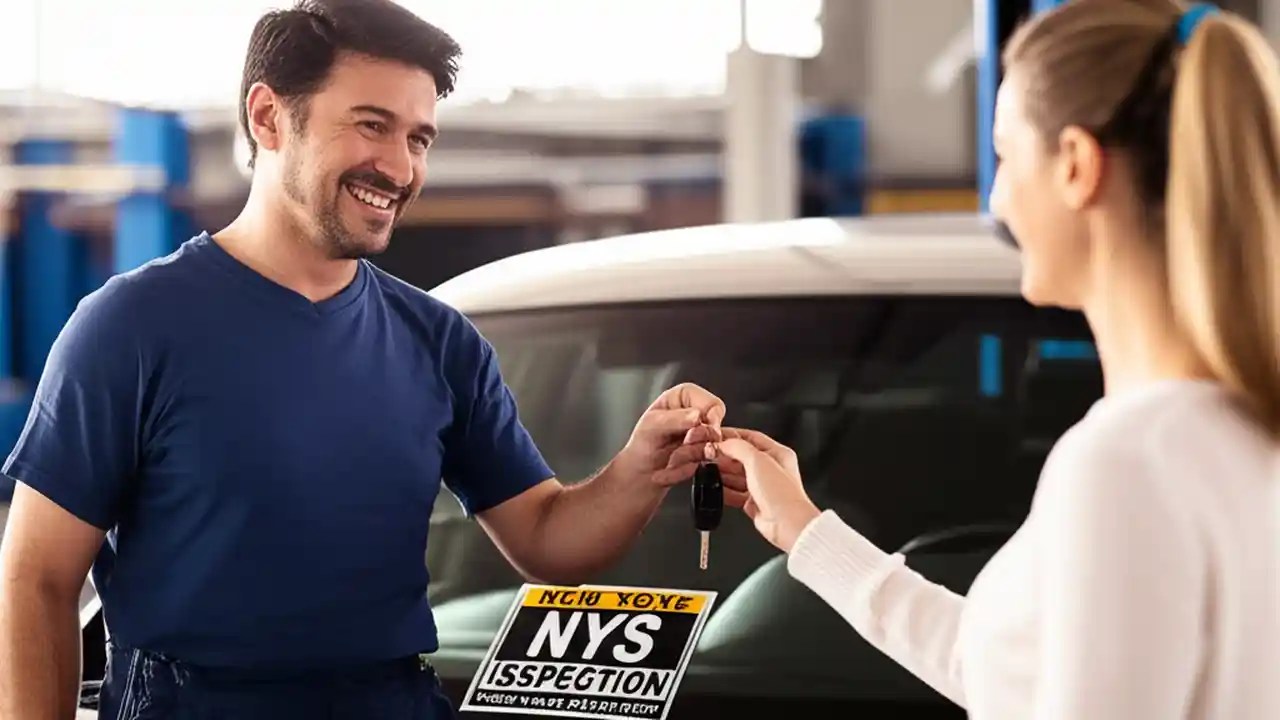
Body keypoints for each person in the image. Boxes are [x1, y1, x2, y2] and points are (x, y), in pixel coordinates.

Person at [0, 1, 742, 718]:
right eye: (371, 126)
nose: (398, 166)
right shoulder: (131, 327)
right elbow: (36, 579)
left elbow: (546, 538)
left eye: (419, 138)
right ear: (268, 118)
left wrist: (639, 469)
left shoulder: (440, 341)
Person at [714, 1, 1280, 718]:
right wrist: (805, 530)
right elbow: (1004, 670)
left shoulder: (1128, 461)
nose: (997, 196)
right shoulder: (1235, 430)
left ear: (1076, 165)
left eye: (1007, 155)